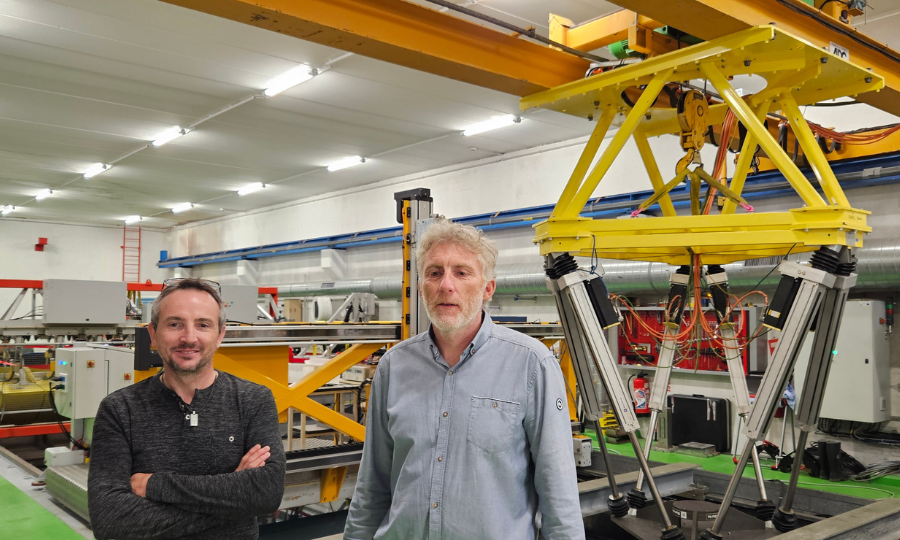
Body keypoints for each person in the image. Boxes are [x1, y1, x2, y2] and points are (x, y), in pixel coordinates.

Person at [344, 219, 585, 540]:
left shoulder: (531, 363)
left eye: (461, 272)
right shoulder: (393, 366)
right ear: (420, 286)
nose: (446, 285)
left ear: (488, 288)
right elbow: (372, 482)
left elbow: (558, 490)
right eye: (434, 273)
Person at [88, 278, 285, 540]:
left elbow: (266, 493)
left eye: (203, 325)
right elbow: (111, 522)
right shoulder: (120, 409)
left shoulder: (253, 400)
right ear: (153, 334)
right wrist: (232, 500)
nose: (189, 338)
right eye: (174, 324)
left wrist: (155, 485)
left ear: (220, 335)